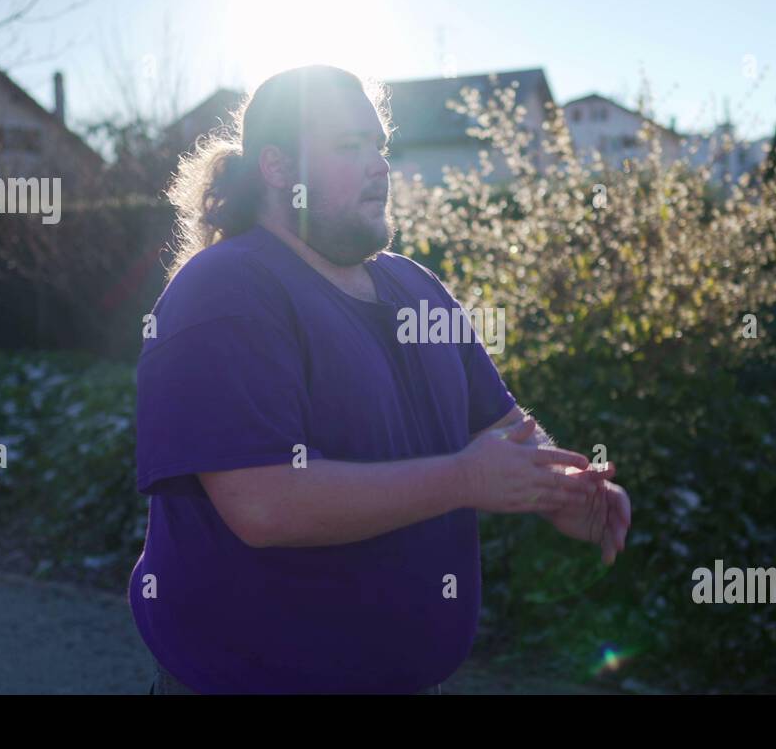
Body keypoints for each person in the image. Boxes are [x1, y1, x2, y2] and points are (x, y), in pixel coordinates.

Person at [131, 64, 631, 695]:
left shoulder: (417, 287)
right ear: (278, 168)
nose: (379, 166)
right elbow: (263, 503)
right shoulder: (224, 291)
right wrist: (464, 479)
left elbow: (506, 432)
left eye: (379, 146)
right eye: (349, 147)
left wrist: (564, 491)